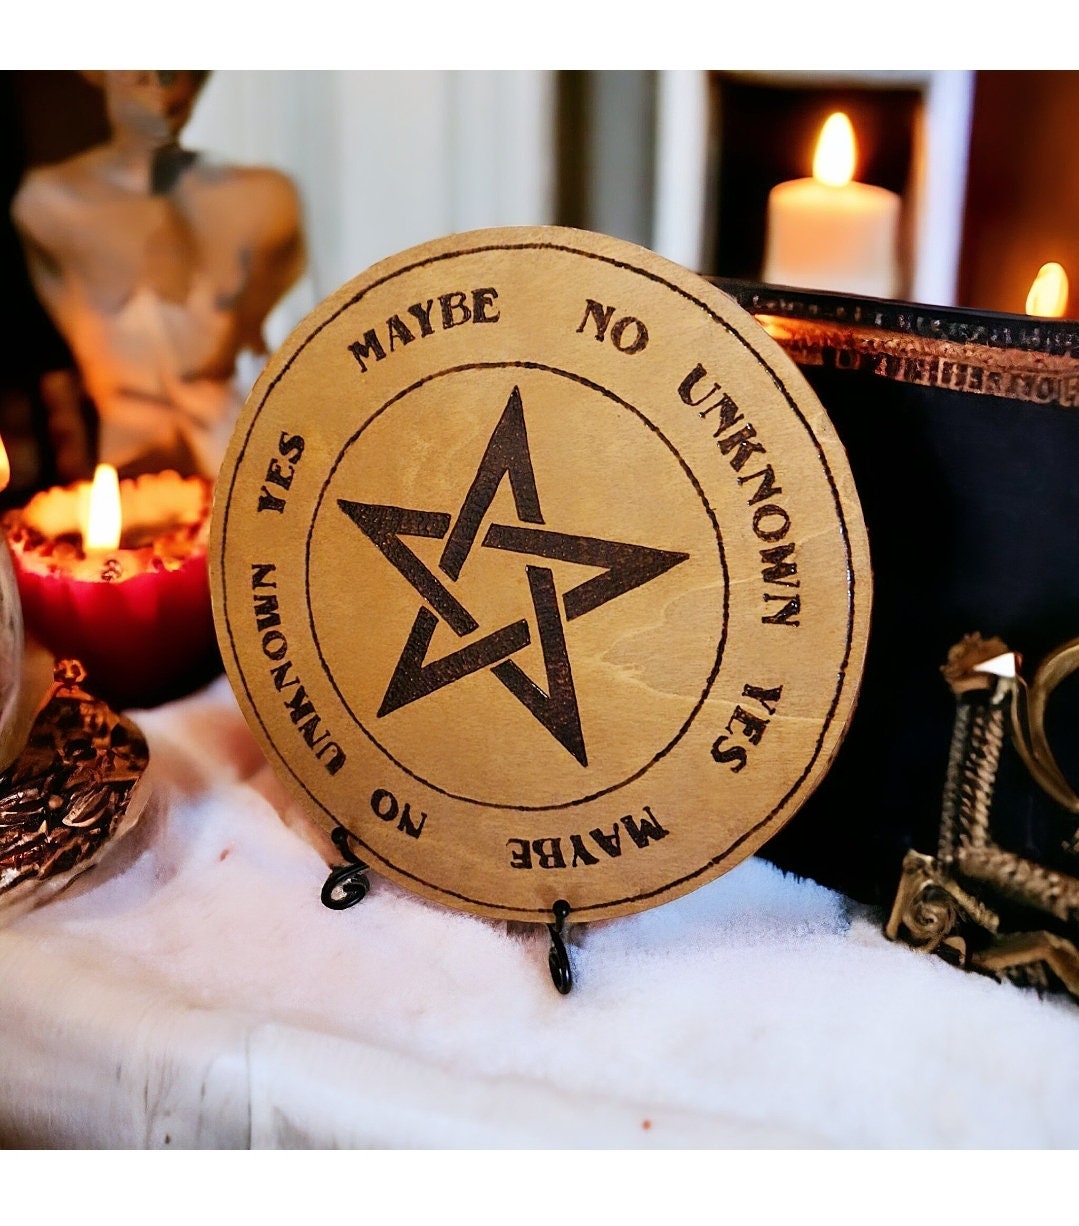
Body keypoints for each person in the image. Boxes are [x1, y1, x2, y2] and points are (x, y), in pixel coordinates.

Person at [11, 71, 306, 478]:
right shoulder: (47, 206)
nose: (165, 83)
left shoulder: (264, 198)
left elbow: (285, 351)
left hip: (239, 464)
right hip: (126, 475)